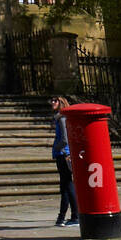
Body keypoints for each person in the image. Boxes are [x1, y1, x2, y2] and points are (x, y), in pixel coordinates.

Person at [51, 95, 78, 227]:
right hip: (62, 154)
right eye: (51, 100)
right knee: (65, 186)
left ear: (61, 103)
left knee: (67, 185)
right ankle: (63, 217)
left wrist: (56, 146)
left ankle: (74, 216)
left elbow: (65, 139)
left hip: (63, 154)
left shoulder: (62, 119)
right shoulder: (59, 118)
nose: (52, 102)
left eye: (55, 101)